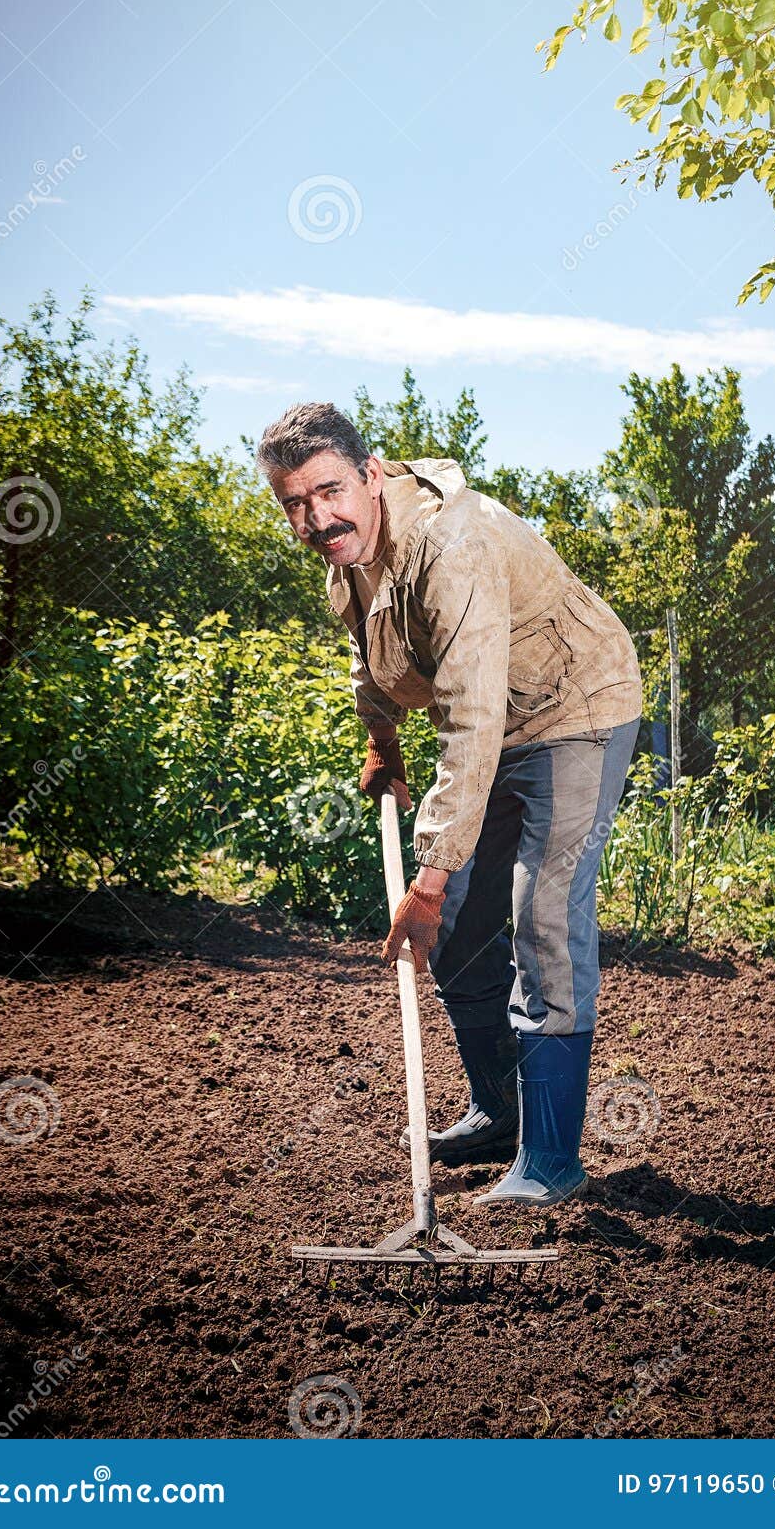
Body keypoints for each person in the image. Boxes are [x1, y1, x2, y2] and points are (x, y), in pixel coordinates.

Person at [257, 401, 642, 1208]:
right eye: (294, 503)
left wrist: (427, 879)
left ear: (368, 476)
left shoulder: (447, 542)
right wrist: (381, 743)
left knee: (540, 912)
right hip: (494, 720)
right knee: (463, 926)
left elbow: (471, 716)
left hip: (575, 710)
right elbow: (373, 655)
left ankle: (550, 1159)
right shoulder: (350, 552)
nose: (315, 517)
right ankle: (498, 1112)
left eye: (327, 491)